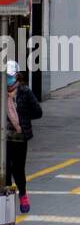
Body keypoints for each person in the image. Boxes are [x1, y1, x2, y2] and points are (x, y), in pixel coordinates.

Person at [4, 63, 41, 215]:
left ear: (17, 75)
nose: (8, 79)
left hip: (20, 136)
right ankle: (5, 198)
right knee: (5, 169)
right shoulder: (2, 92)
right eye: (6, 77)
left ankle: (23, 194)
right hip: (4, 138)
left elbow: (38, 112)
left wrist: (23, 119)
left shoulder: (25, 92)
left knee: (18, 169)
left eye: (10, 76)